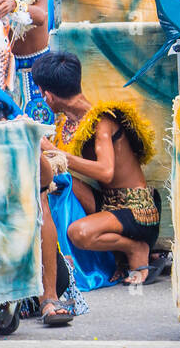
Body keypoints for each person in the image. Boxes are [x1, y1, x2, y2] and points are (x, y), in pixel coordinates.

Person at [29, 51, 161, 287]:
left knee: (78, 232)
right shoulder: (66, 123)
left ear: (46, 95)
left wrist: (58, 154)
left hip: (137, 209)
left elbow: (105, 172)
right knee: (57, 179)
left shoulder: (102, 120)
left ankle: (135, 248)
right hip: (107, 203)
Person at [0, 100, 77, 325]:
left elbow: (45, 180)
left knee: (40, 196)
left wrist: (29, 141)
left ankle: (48, 299)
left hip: (34, 272)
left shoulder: (17, 161)